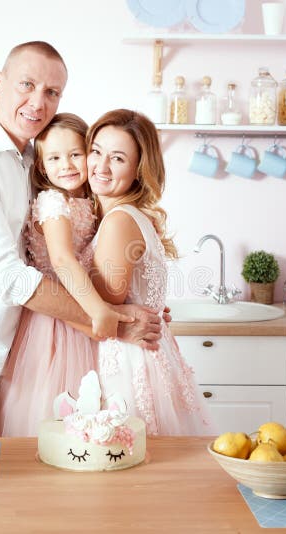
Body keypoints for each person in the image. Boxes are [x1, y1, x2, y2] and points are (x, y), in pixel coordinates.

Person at [0, 42, 163, 438]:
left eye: (52, 92)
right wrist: (113, 322)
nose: (38, 102)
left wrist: (140, 302)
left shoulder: (34, 162)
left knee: (12, 472)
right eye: (26, 84)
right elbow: (7, 275)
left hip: (11, 358)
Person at [0, 113, 125, 437]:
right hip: (53, 317)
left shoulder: (88, 201)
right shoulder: (52, 202)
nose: (66, 165)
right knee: (53, 400)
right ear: (41, 166)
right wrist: (99, 310)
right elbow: (62, 259)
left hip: (78, 306)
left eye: (75, 154)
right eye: (54, 158)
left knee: (88, 402)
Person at [87, 109, 210, 436]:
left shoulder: (119, 221)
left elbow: (104, 305)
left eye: (117, 158)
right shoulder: (133, 216)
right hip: (146, 353)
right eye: (96, 151)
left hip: (127, 359)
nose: (101, 166)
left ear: (139, 170)